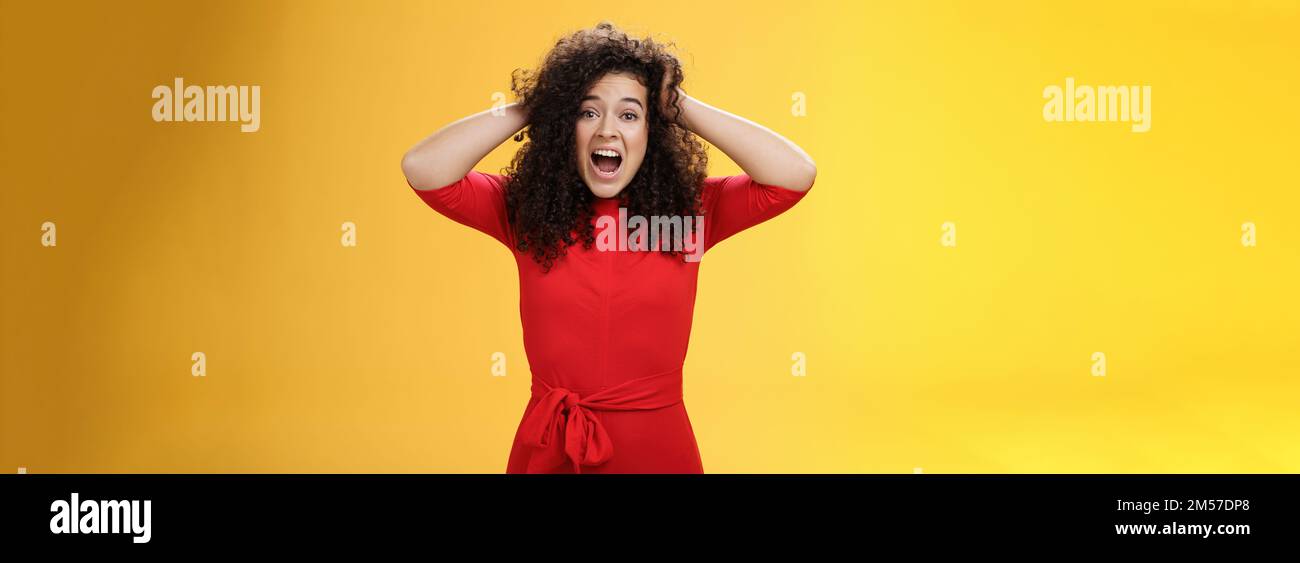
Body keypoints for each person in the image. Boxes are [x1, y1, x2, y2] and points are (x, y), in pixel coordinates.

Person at [401, 22, 816, 473]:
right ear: (566, 126)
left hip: (656, 448)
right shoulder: (526, 209)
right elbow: (424, 168)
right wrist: (537, 105)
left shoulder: (691, 212)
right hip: (550, 445)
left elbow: (794, 175)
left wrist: (677, 104)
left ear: (652, 131)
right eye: (588, 112)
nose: (608, 131)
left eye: (630, 114)